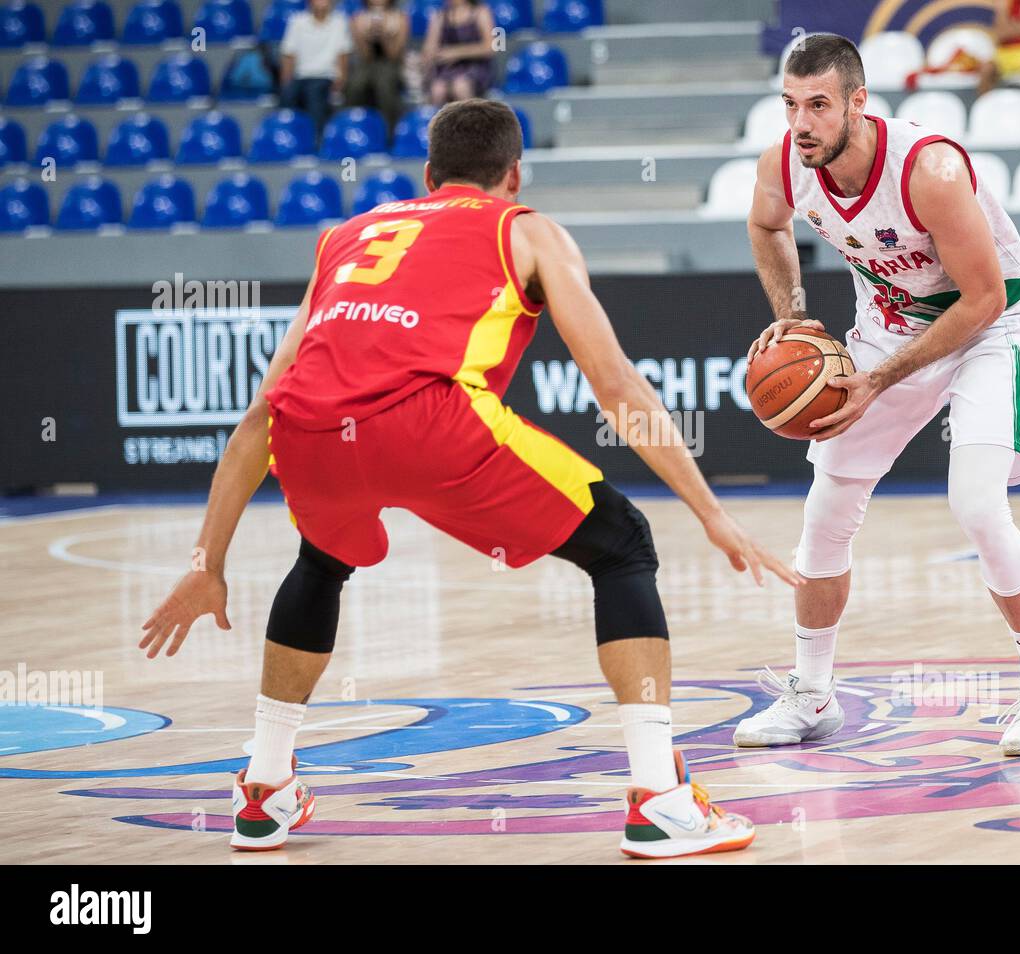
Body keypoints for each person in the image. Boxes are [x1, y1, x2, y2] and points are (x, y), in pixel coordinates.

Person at [139, 99, 797, 859]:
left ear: (427, 175)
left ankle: (263, 787)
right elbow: (615, 386)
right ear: (514, 176)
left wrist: (207, 564)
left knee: (321, 558)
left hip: (310, 433)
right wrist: (711, 511)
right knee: (621, 544)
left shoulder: (345, 237)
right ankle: (660, 799)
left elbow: (261, 413)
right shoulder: (526, 228)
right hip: (430, 424)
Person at [737, 34, 1020, 757]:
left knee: (977, 505)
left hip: (988, 327)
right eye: (792, 105)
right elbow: (766, 224)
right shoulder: (786, 163)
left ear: (858, 102)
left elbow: (983, 297)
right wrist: (791, 312)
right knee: (826, 511)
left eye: (820, 105)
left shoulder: (930, 169)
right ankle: (812, 693)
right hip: (891, 327)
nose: (803, 123)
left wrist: (880, 380)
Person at [279, 0, 352, 144]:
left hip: (326, 76)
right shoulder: (297, 21)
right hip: (300, 76)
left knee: (315, 94)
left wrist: (341, 79)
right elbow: (288, 54)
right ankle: (288, 139)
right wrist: (286, 81)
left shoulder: (339, 22)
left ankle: (316, 141)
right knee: (288, 94)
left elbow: (343, 54)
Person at [346, 0, 410, 136]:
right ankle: (354, 132)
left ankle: (389, 134)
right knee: (355, 86)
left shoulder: (400, 17)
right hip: (366, 63)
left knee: (384, 86)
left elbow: (393, 55)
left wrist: (383, 35)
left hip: (390, 64)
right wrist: (365, 35)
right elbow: (365, 55)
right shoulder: (357, 18)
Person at [422, 0, 497, 106]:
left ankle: (468, 120)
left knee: (460, 87)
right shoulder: (440, 16)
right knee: (437, 89)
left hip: (475, 67)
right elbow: (429, 49)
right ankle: (440, 121)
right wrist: (430, 55)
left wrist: (456, 53)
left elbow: (490, 48)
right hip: (447, 69)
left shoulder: (481, 12)